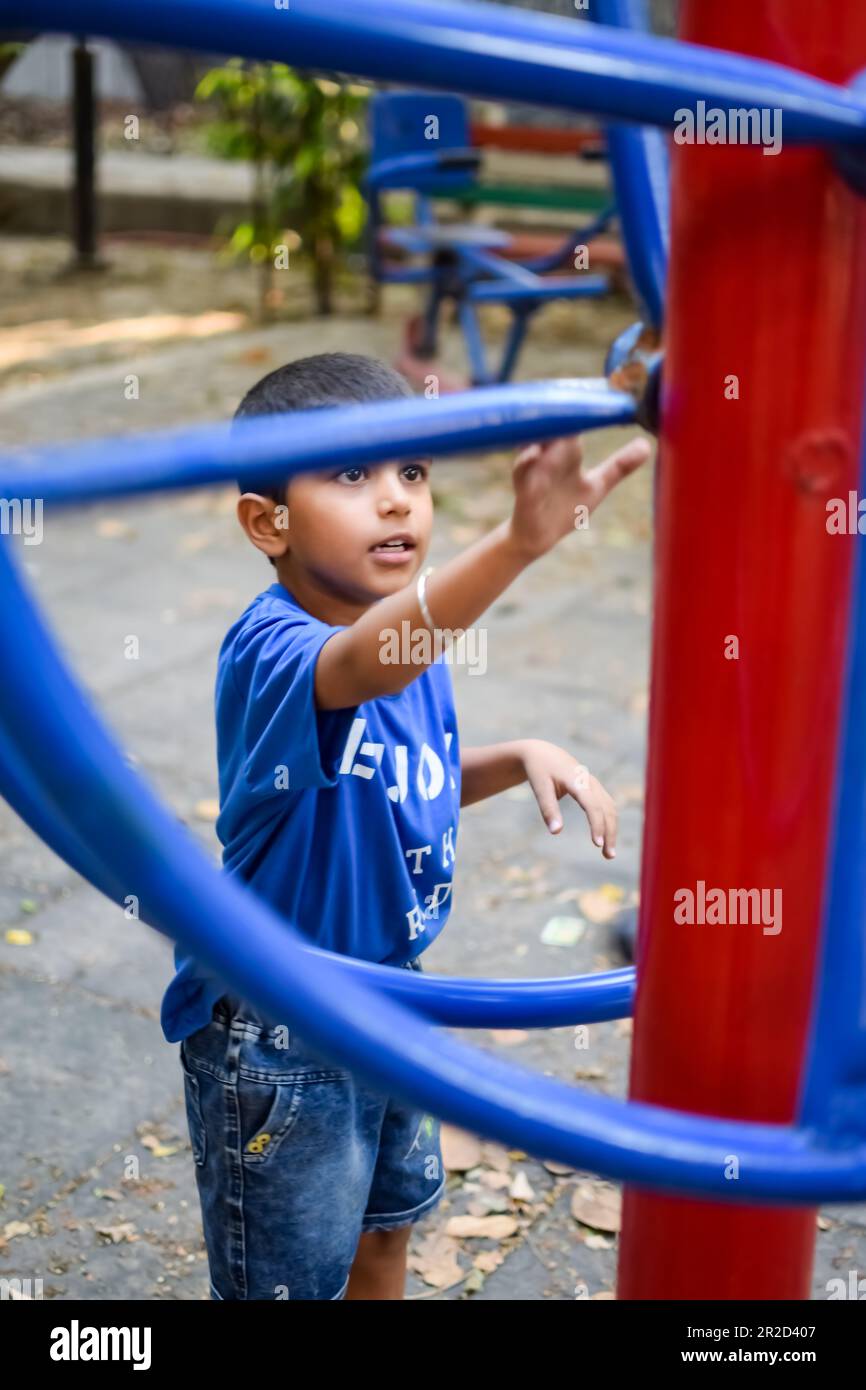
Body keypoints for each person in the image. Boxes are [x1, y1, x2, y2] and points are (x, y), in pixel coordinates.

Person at [160, 351, 650, 1300]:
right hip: (281, 1027)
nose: (396, 501)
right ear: (268, 522)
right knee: (290, 1283)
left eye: (413, 472)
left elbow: (394, 781)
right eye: (352, 474)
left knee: (391, 1228)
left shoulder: (404, 637)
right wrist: (518, 544)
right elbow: (365, 668)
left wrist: (512, 759)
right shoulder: (275, 651)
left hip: (392, 996)